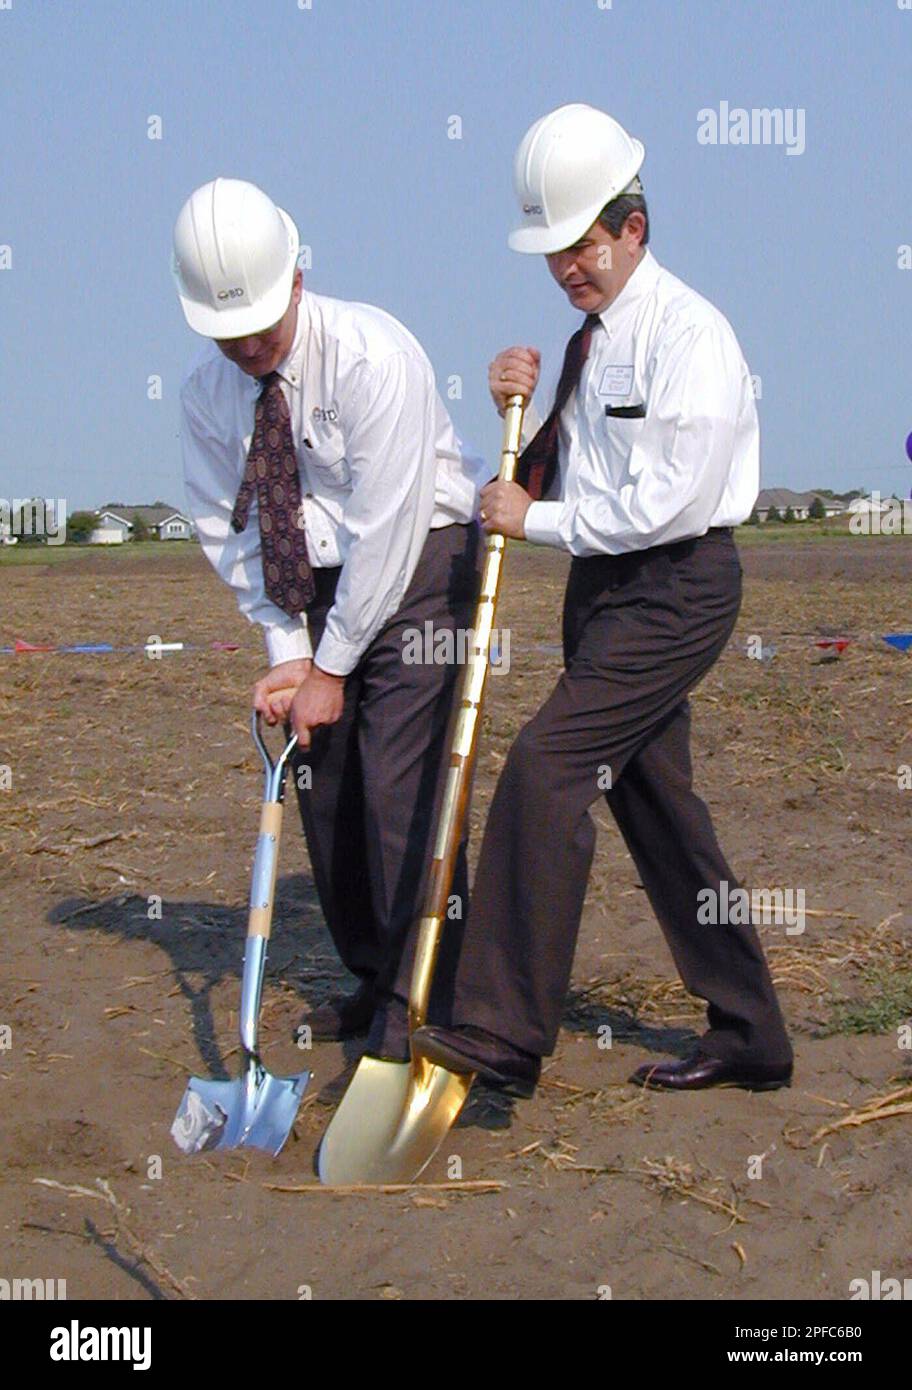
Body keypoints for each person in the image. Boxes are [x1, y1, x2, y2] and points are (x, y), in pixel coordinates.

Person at [414, 104, 793, 1096]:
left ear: (634, 227)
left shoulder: (691, 334)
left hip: (677, 589)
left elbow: (666, 503)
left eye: (583, 247)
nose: (569, 269)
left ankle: (500, 1032)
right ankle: (750, 1030)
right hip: (604, 593)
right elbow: (552, 470)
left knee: (547, 764)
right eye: (554, 254)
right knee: (659, 803)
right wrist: (517, 410)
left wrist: (525, 521)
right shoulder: (590, 344)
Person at [173, 177, 487, 1061]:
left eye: (261, 329)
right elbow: (226, 529)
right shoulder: (207, 394)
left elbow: (387, 526)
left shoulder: (371, 356)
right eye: (225, 334)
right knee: (326, 787)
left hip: (420, 564)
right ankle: (374, 975)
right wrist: (289, 648)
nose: (245, 347)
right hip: (309, 584)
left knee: (398, 787)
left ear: (298, 277)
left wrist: (334, 667)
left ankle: (431, 998)